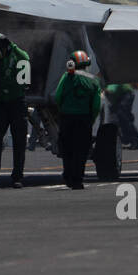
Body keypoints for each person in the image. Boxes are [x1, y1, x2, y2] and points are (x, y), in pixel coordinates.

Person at [0, 33, 30, 188]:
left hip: (17, 104)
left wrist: (12, 44)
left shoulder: (17, 57)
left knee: (19, 141)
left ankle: (17, 177)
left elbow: (26, 57)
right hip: (1, 104)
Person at [53, 50, 102, 189]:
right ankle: (77, 179)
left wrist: (62, 111)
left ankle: (67, 176)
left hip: (67, 118)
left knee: (67, 149)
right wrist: (91, 119)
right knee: (81, 151)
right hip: (84, 119)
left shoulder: (67, 76)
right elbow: (96, 104)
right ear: (87, 64)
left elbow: (58, 96)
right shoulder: (93, 80)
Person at [104, 82, 138, 150]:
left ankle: (136, 141)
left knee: (124, 118)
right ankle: (127, 139)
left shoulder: (111, 85)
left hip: (126, 94)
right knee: (118, 118)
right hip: (121, 96)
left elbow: (111, 90)